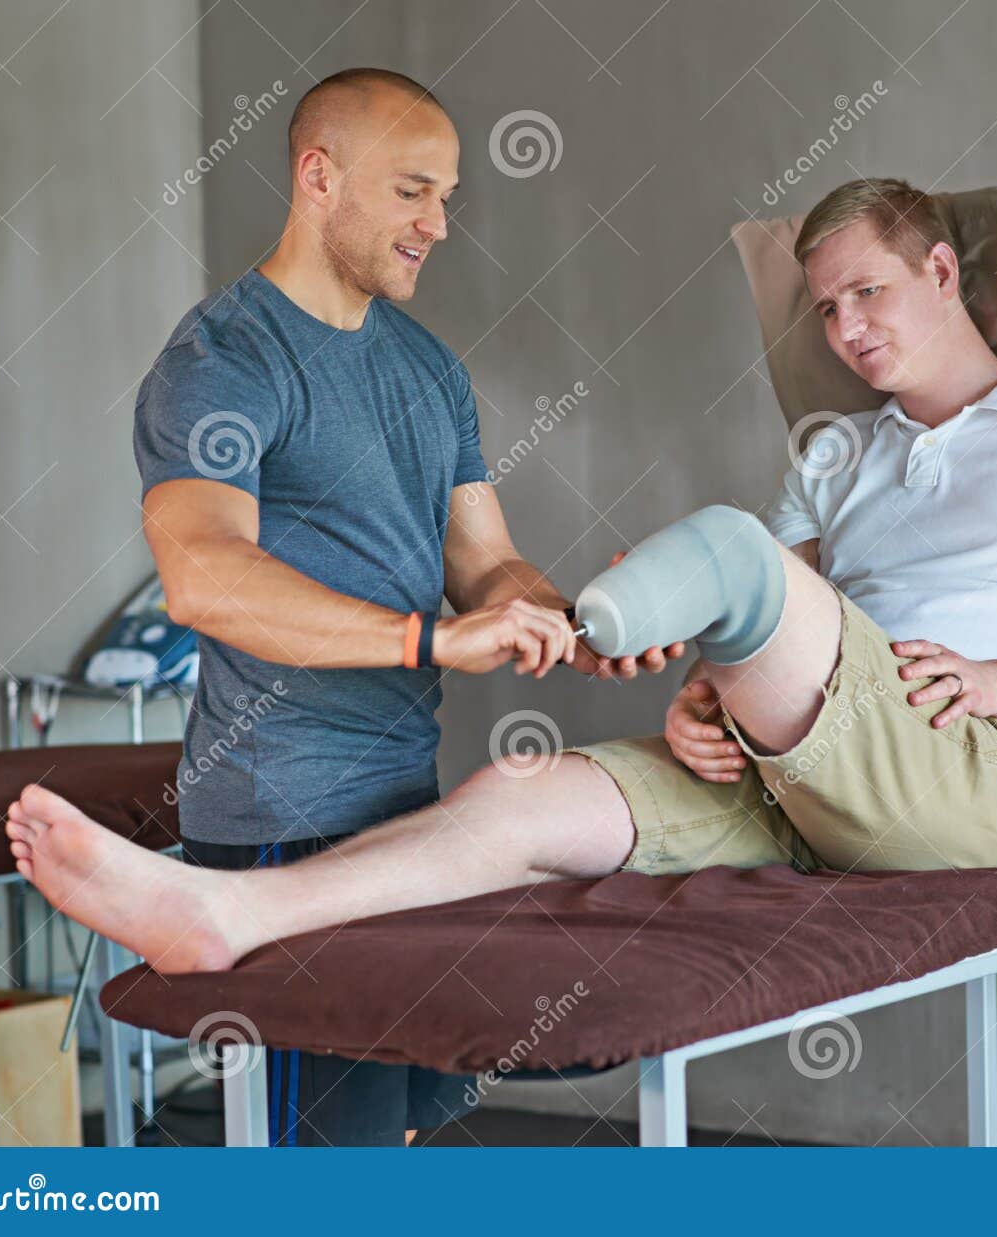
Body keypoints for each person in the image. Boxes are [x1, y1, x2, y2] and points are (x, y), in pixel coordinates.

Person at [9, 175, 997, 1038]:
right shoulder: (838, 452)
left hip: (978, 783)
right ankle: (226, 912)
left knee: (730, 552)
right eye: (826, 309)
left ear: (941, 272)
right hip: (804, 778)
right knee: (525, 791)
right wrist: (700, 702)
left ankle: (605, 627)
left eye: (869, 294)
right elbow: (781, 629)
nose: (845, 331)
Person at [122, 67, 679, 1147]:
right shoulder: (222, 361)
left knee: (402, 1135)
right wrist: (429, 638)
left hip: (408, 817)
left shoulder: (426, 368)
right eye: (413, 192)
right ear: (318, 177)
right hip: (280, 825)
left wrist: (576, 622)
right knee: (329, 1166)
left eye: (448, 197)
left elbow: (487, 567)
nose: (438, 223)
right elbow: (202, 572)